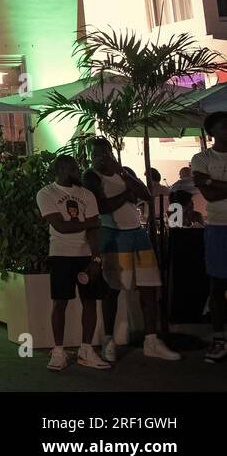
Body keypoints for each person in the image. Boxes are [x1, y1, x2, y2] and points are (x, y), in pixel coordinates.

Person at [83, 137, 180, 362]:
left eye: (103, 152)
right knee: (113, 289)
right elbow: (100, 207)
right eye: (94, 154)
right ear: (89, 156)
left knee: (148, 287)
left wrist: (124, 175)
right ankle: (108, 339)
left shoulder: (123, 171)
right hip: (113, 236)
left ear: (110, 153)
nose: (99, 157)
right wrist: (125, 195)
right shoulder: (90, 176)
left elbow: (146, 194)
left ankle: (151, 340)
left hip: (137, 234)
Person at [35, 153, 108, 371]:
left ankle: (86, 350)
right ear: (63, 170)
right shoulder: (46, 193)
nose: (78, 172)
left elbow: (95, 231)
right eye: (75, 169)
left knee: (90, 301)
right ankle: (59, 351)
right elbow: (61, 227)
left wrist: (96, 258)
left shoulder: (87, 194)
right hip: (60, 255)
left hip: (86, 255)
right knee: (60, 302)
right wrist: (90, 222)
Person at [192, 112, 227, 363]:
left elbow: (213, 189)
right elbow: (211, 197)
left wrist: (213, 181)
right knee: (218, 284)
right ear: (212, 133)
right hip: (217, 226)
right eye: (224, 128)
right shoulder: (201, 158)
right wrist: (212, 186)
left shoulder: (205, 166)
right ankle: (219, 338)